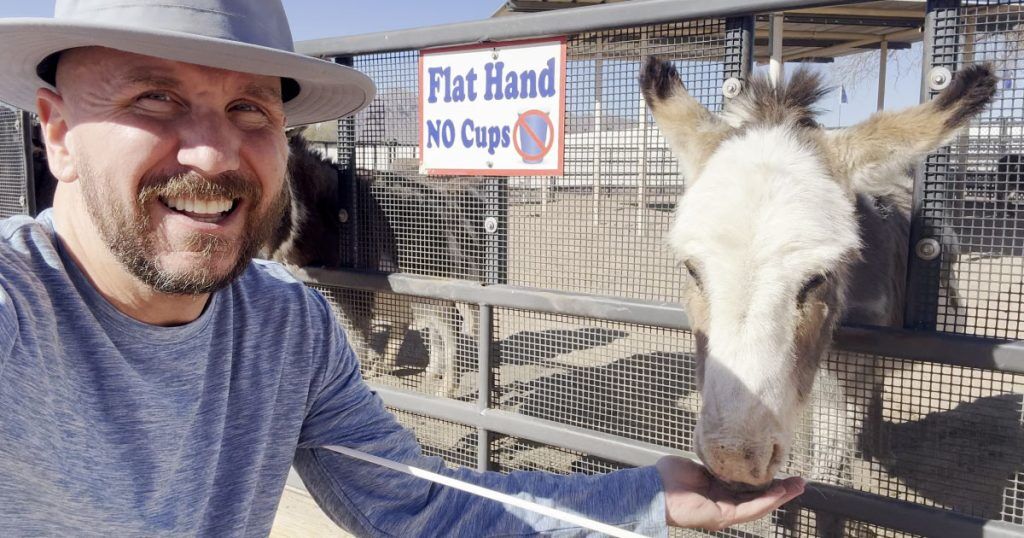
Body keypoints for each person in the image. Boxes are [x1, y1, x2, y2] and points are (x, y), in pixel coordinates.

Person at [0, 1, 805, 535]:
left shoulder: (286, 327)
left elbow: (417, 509)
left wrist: (644, 498)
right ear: (58, 134)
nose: (213, 151)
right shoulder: (17, 313)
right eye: (153, 99)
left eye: (250, 107)